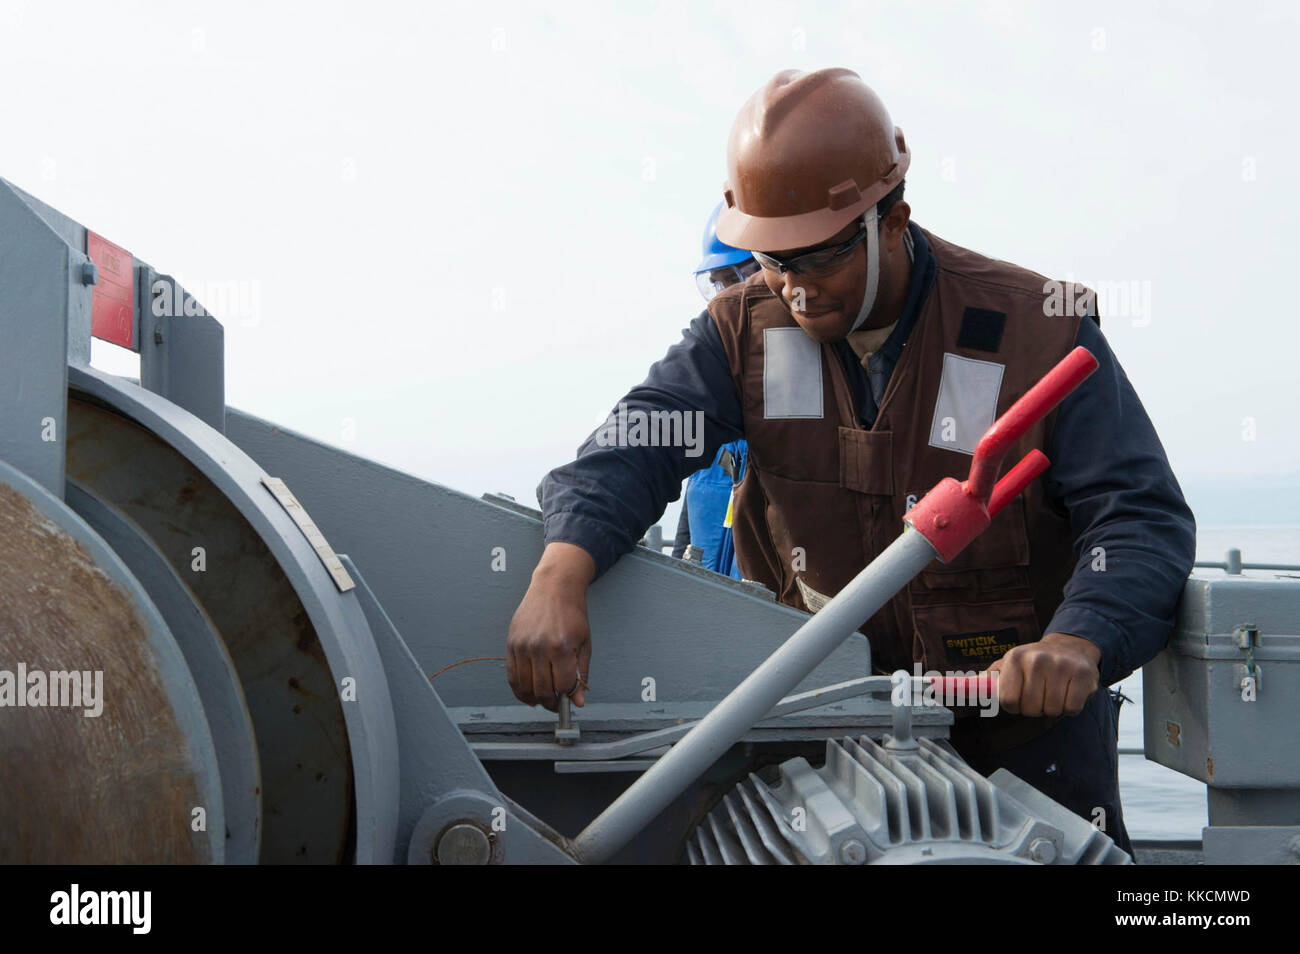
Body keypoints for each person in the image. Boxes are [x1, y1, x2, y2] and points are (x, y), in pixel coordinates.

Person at [507, 68, 1196, 855]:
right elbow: (634, 443)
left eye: (820, 258)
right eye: (772, 260)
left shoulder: (1037, 330)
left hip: (1025, 735)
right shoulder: (741, 334)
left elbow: (1137, 515)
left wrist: (1081, 641)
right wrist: (560, 573)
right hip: (821, 729)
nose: (793, 290)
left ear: (893, 219)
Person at [672, 203, 755, 577]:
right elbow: (687, 532)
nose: (724, 296)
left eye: (732, 277)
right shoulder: (708, 409)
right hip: (705, 615)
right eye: (716, 282)